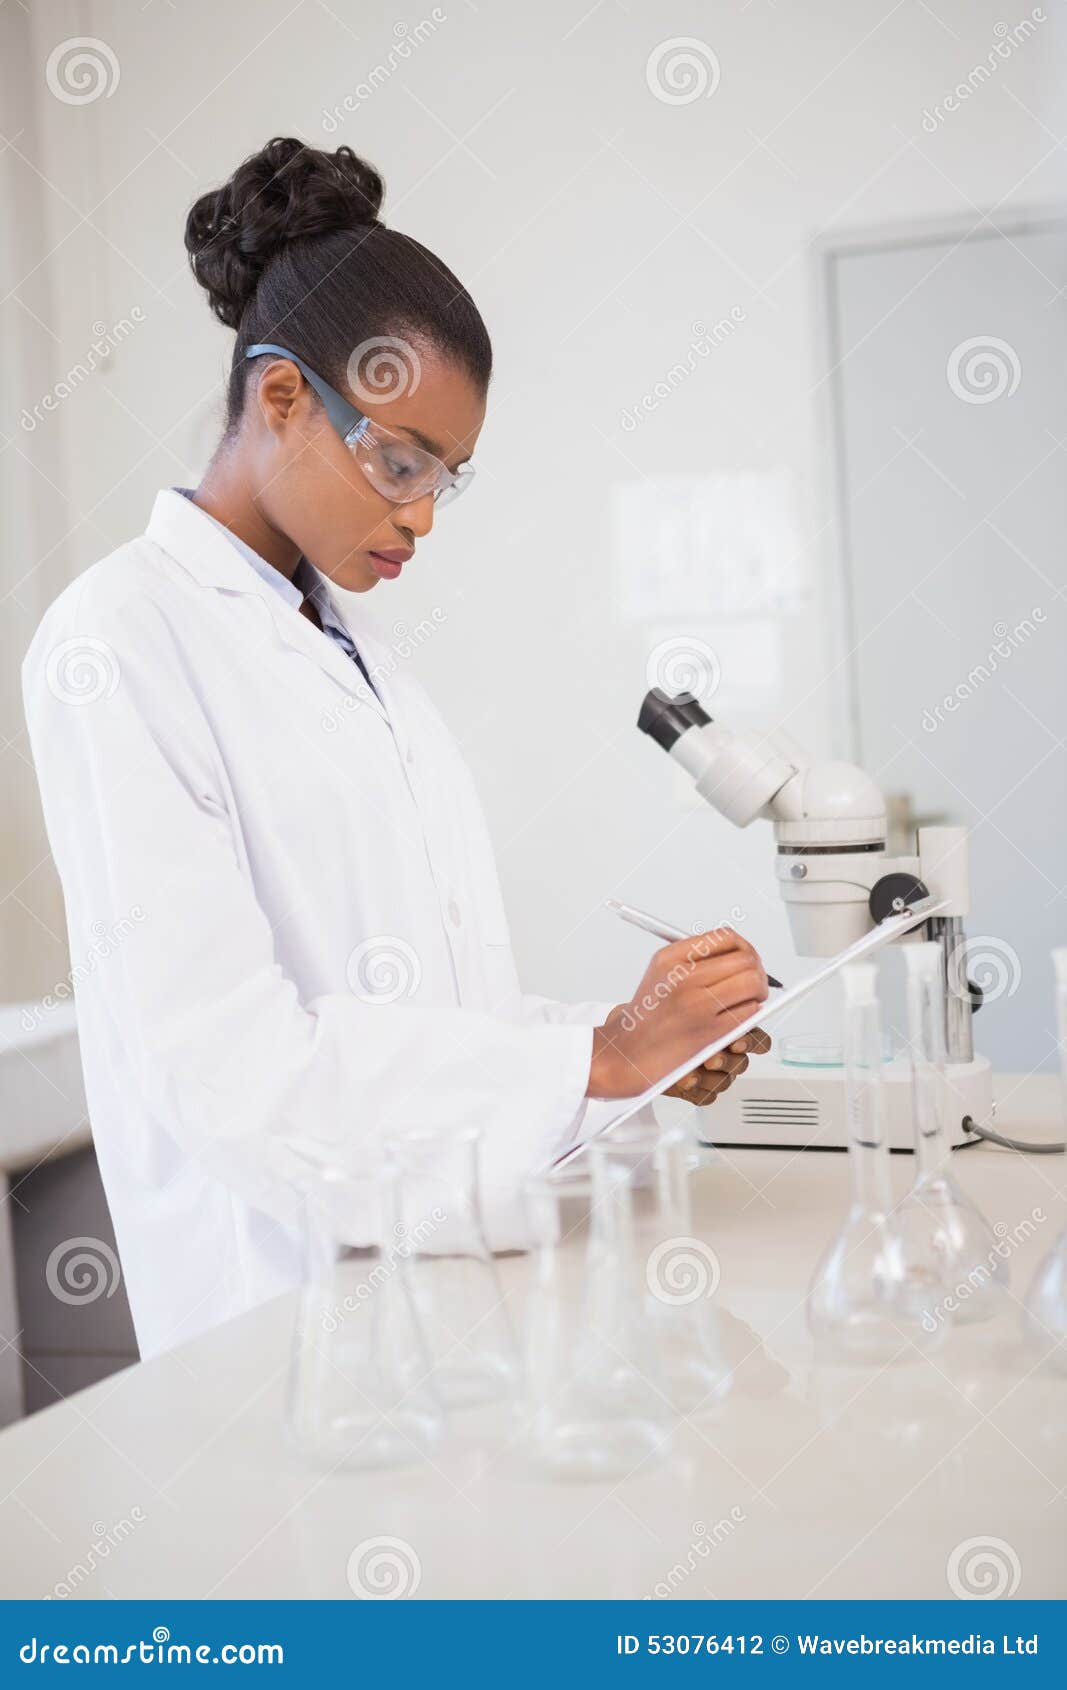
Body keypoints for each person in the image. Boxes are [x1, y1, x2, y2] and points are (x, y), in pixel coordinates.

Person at [22, 138, 769, 1360]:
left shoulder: (362, 661)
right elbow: (237, 1078)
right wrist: (591, 1056)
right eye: (400, 460)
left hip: (445, 1319)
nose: (421, 511)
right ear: (278, 400)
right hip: (274, 1340)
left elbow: (434, 1014)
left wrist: (628, 1057)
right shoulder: (118, 640)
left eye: (446, 477)